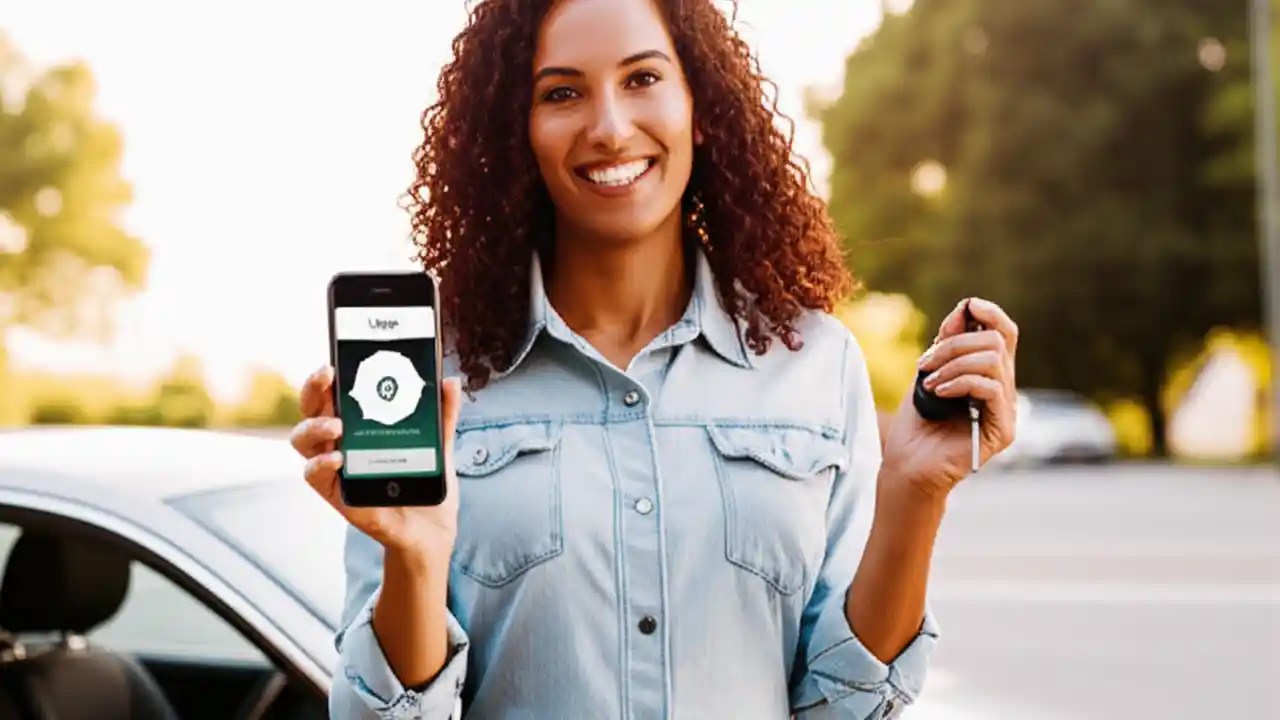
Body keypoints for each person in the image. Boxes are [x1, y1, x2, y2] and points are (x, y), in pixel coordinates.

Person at [290, 0, 1019, 717]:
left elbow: (848, 709)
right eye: (563, 92)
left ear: (700, 107)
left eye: (642, 79)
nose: (608, 128)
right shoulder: (436, 381)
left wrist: (916, 496)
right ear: (519, 131)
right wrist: (414, 561)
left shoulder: (815, 363)